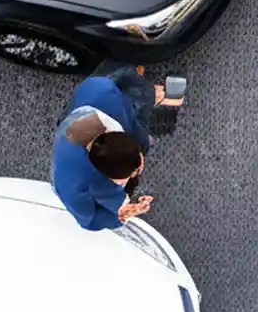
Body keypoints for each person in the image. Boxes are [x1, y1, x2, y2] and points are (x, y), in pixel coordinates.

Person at [51, 63, 182, 231]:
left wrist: (145, 92)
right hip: (105, 111)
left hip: (108, 104)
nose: (139, 171)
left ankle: (147, 90)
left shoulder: (102, 91)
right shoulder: (68, 182)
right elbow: (90, 221)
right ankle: (149, 93)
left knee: (134, 96)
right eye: (132, 173)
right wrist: (120, 216)